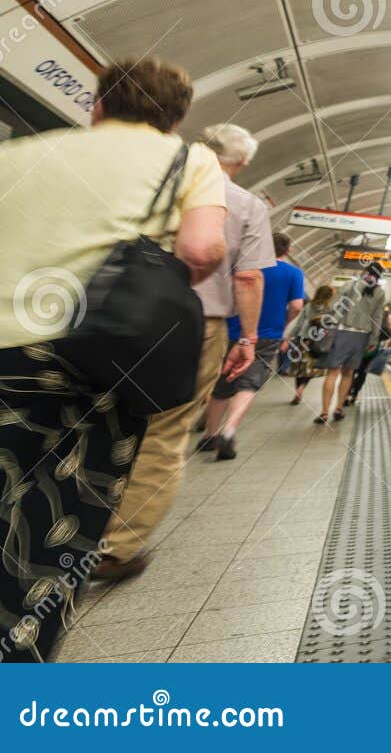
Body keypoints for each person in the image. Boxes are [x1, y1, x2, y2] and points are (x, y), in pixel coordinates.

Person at [0, 58, 226, 661]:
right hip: (87, 360)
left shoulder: (22, 152)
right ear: (175, 119)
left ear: (96, 106)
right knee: (53, 519)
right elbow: (203, 247)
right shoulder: (189, 159)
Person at [97, 123, 274, 579]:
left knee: (98, 414)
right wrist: (248, 338)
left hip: (107, 314)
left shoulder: (145, 175)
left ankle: (63, 522)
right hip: (197, 326)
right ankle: (116, 547)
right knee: (164, 431)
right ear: (243, 163)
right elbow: (249, 278)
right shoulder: (247, 205)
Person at [201, 232, 304, 460]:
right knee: (248, 385)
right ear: (286, 251)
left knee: (222, 384)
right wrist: (283, 324)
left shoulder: (242, 265)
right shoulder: (293, 273)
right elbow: (297, 306)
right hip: (266, 337)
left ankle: (210, 435)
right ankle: (229, 431)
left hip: (231, 331)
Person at [316, 264, 387, 425]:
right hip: (361, 337)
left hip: (341, 333)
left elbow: (334, 308)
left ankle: (324, 413)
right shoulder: (379, 293)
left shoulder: (350, 285)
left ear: (364, 272)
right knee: (348, 374)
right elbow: (377, 318)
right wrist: (373, 340)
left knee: (332, 373)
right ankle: (339, 409)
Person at [285, 284, 336, 404]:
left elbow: (299, 323)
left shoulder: (308, 306)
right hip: (317, 341)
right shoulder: (330, 309)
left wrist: (290, 336)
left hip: (302, 339)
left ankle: (297, 390)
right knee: (311, 367)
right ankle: (302, 387)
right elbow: (332, 326)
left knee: (299, 367)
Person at [344, 304, 391, 407]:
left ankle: (347, 395)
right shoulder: (383, 312)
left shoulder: (360, 308)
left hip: (356, 345)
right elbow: (390, 325)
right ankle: (354, 395)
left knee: (351, 371)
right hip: (372, 346)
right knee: (363, 373)